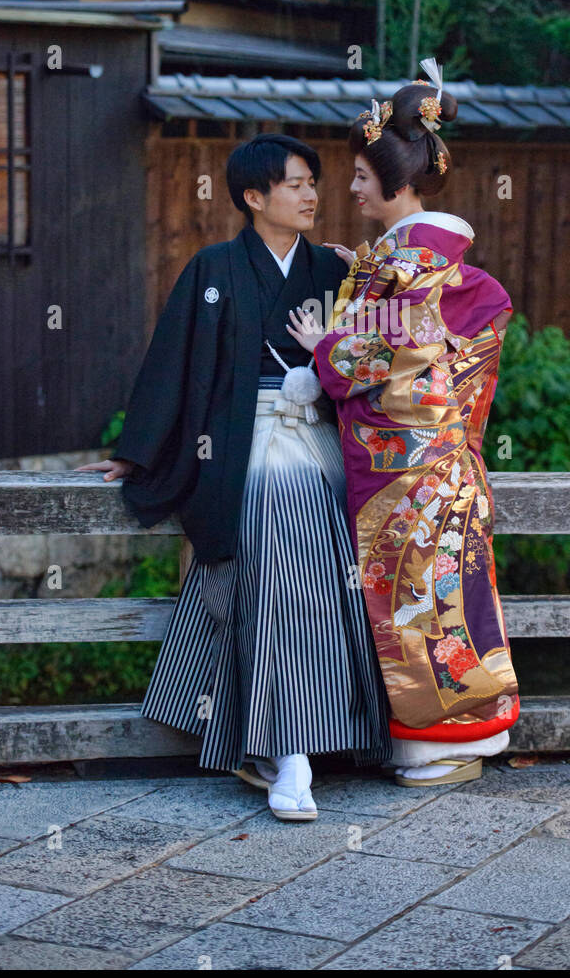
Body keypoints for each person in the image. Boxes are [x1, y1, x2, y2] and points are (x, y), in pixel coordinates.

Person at [76, 134, 393, 820]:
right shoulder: (213, 268)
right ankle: (293, 752)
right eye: (296, 184)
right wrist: (135, 452)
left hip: (316, 438)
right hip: (239, 439)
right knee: (275, 535)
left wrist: (337, 350)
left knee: (307, 569)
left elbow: (377, 369)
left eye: (315, 182)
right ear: (254, 197)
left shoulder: (338, 271)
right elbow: (172, 362)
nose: (312, 195)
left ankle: (286, 745)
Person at [287, 60, 520, 787]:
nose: (350, 188)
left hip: (410, 469)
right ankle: (458, 736)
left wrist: (322, 350)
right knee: (440, 600)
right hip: (434, 460)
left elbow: (399, 346)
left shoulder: (414, 257)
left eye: (359, 176)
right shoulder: (413, 255)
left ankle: (442, 743)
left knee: (420, 604)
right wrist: (359, 274)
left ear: (397, 183)